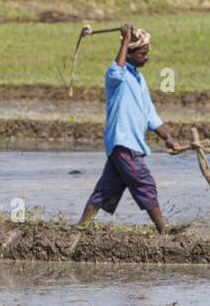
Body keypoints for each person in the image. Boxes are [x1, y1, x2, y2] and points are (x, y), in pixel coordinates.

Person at [77, 24, 183, 234]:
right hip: (123, 141)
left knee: (104, 190)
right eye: (143, 53)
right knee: (144, 182)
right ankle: (164, 229)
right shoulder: (116, 75)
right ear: (130, 53)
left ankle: (81, 228)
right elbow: (116, 71)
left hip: (127, 143)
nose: (147, 58)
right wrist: (125, 40)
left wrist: (168, 138)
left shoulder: (138, 78)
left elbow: (150, 114)